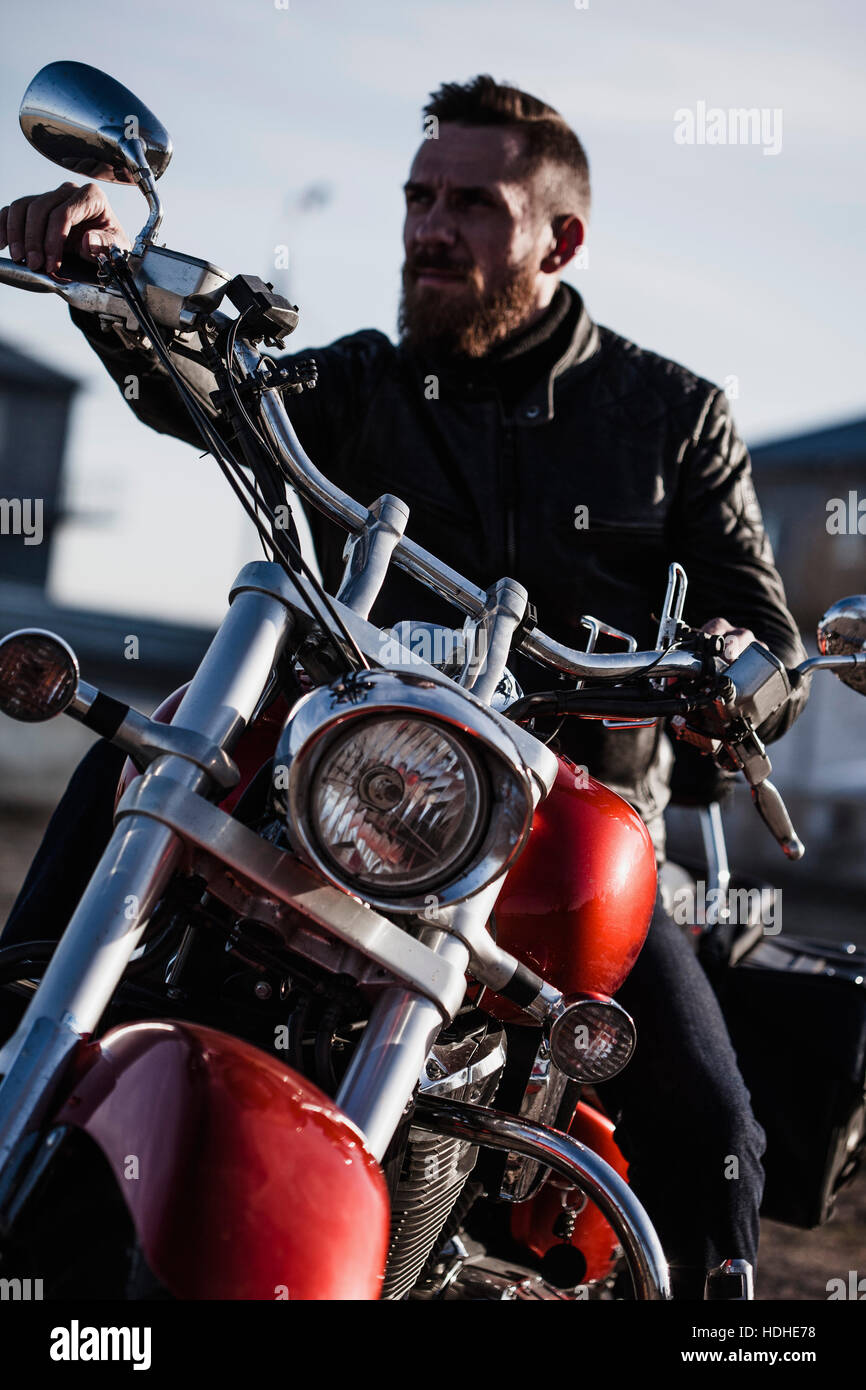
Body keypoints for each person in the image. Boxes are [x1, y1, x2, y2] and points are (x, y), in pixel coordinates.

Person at [0, 75, 807, 1298]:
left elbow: (765, 635)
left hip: (559, 836)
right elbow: (206, 397)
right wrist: (112, 286)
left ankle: (723, 1297)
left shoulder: (670, 416)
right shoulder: (363, 383)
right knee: (149, 750)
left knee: (713, 1131)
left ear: (557, 238)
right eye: (418, 197)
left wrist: (734, 676)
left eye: (471, 205)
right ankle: (25, 1018)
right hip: (338, 784)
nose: (429, 227)